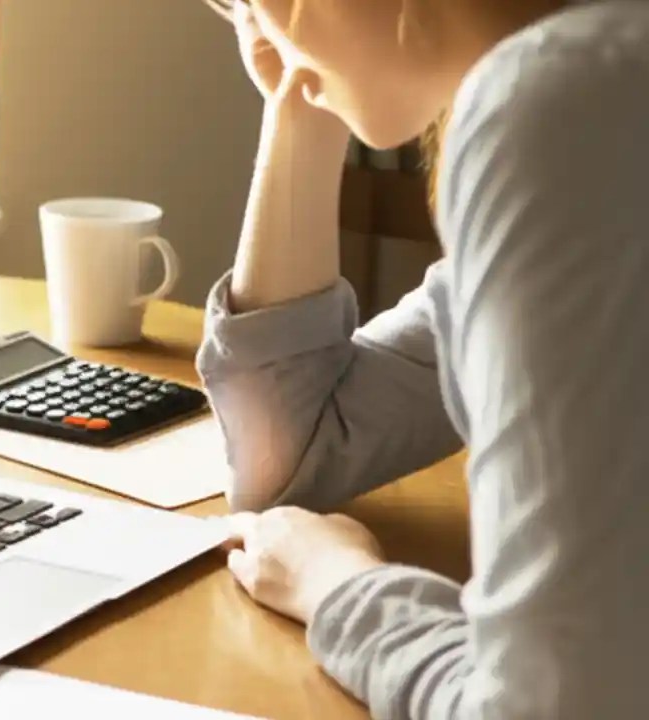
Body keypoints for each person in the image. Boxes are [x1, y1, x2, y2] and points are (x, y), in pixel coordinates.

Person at [197, 0, 649, 717]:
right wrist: (306, 102)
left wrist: (340, 587)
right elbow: (293, 456)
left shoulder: (563, 108)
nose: (253, 23)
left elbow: (543, 707)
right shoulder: (586, 91)